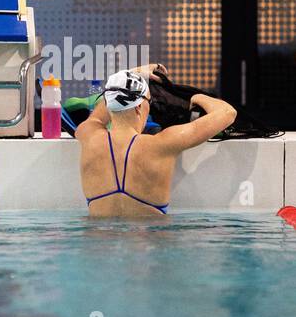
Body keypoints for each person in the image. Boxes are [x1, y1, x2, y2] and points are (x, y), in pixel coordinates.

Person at [78, 64, 238, 217]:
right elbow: (227, 113)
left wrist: (134, 74)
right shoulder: (163, 144)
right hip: (149, 240)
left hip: (99, 241)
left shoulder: (88, 135)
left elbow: (101, 111)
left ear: (108, 103)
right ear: (139, 107)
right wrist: (197, 96)